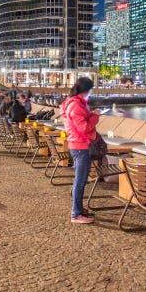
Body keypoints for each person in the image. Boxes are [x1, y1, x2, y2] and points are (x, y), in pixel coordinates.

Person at [60, 77, 100, 224]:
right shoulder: (76, 105)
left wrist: (91, 114)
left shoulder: (74, 103)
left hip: (76, 144)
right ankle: (76, 214)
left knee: (80, 180)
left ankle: (79, 209)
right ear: (87, 90)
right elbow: (83, 128)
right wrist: (95, 117)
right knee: (80, 181)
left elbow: (80, 121)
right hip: (80, 146)